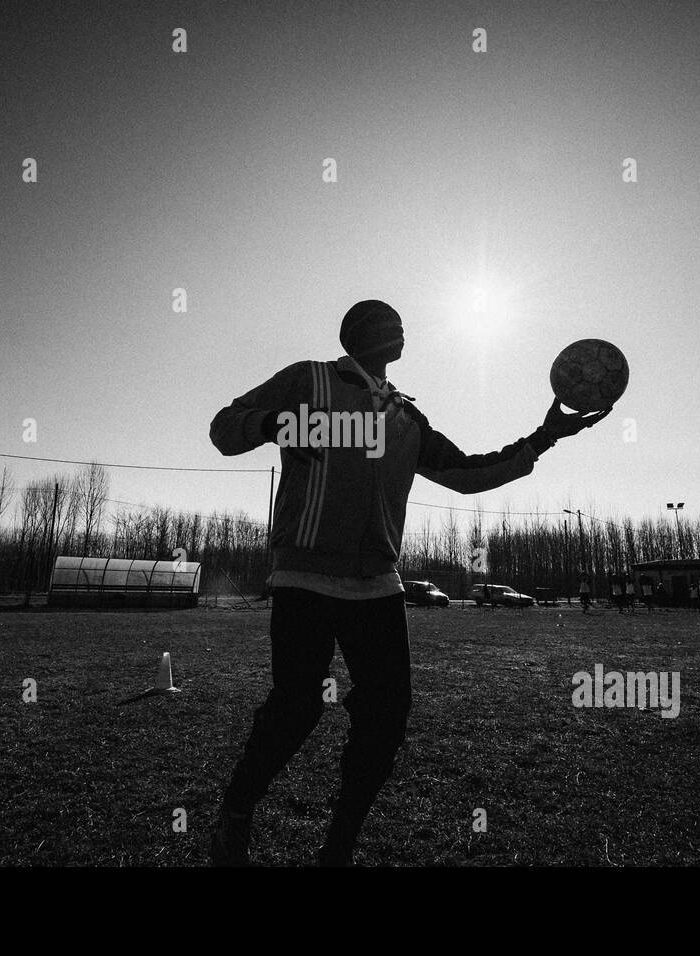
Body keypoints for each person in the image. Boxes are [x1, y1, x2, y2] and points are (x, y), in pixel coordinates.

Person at [206, 299, 611, 866]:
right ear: (354, 335)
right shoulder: (309, 380)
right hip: (306, 576)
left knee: (384, 721)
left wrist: (545, 437)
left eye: (399, 322)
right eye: (383, 320)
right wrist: (277, 422)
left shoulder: (405, 417)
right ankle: (238, 810)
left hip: (377, 586)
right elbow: (224, 430)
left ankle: (338, 850)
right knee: (297, 708)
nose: (397, 328)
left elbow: (469, 473)